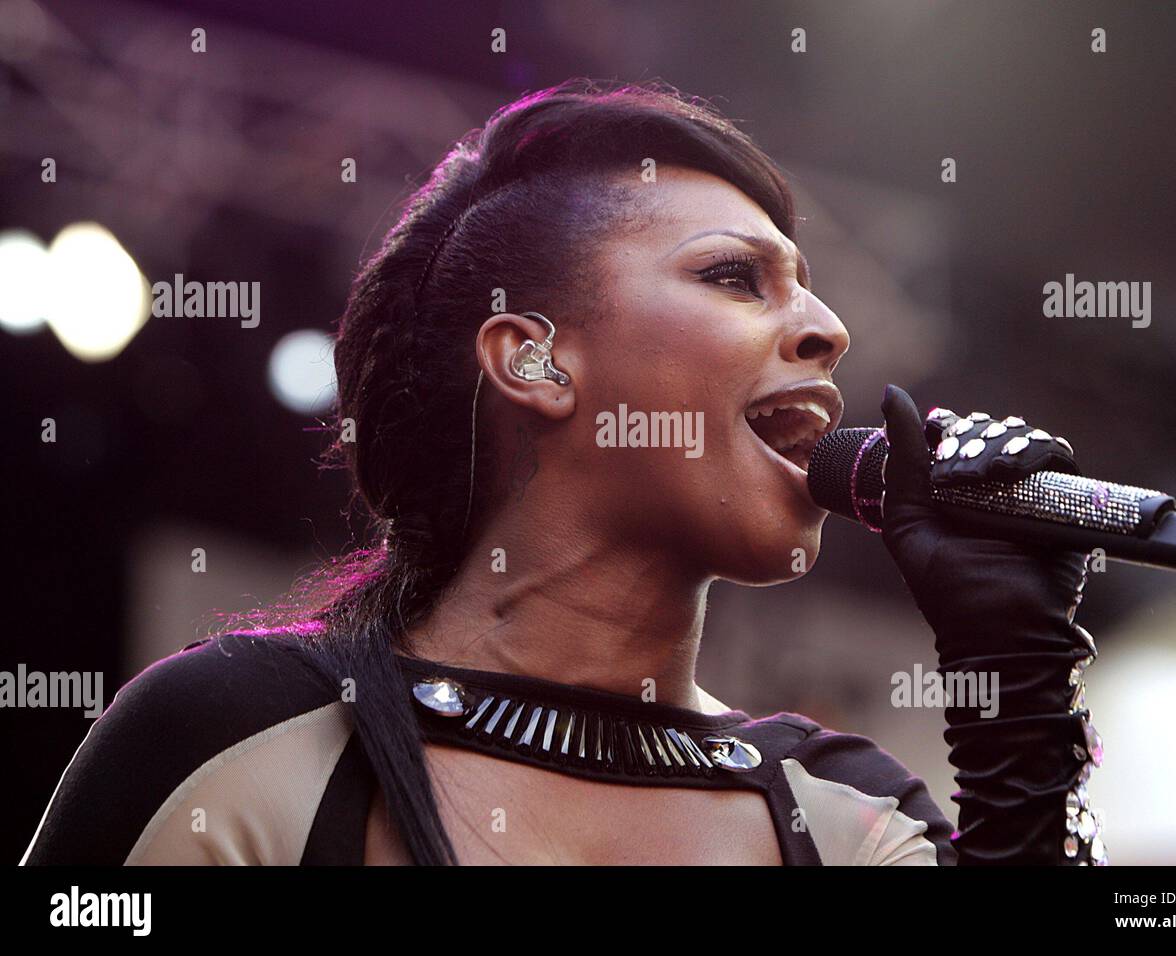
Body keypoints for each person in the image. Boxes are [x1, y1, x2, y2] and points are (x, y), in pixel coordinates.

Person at [22, 78, 1104, 866]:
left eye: (812, 289)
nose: (827, 329)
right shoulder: (233, 740)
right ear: (532, 357)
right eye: (737, 276)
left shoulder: (844, 812)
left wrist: (1017, 693)